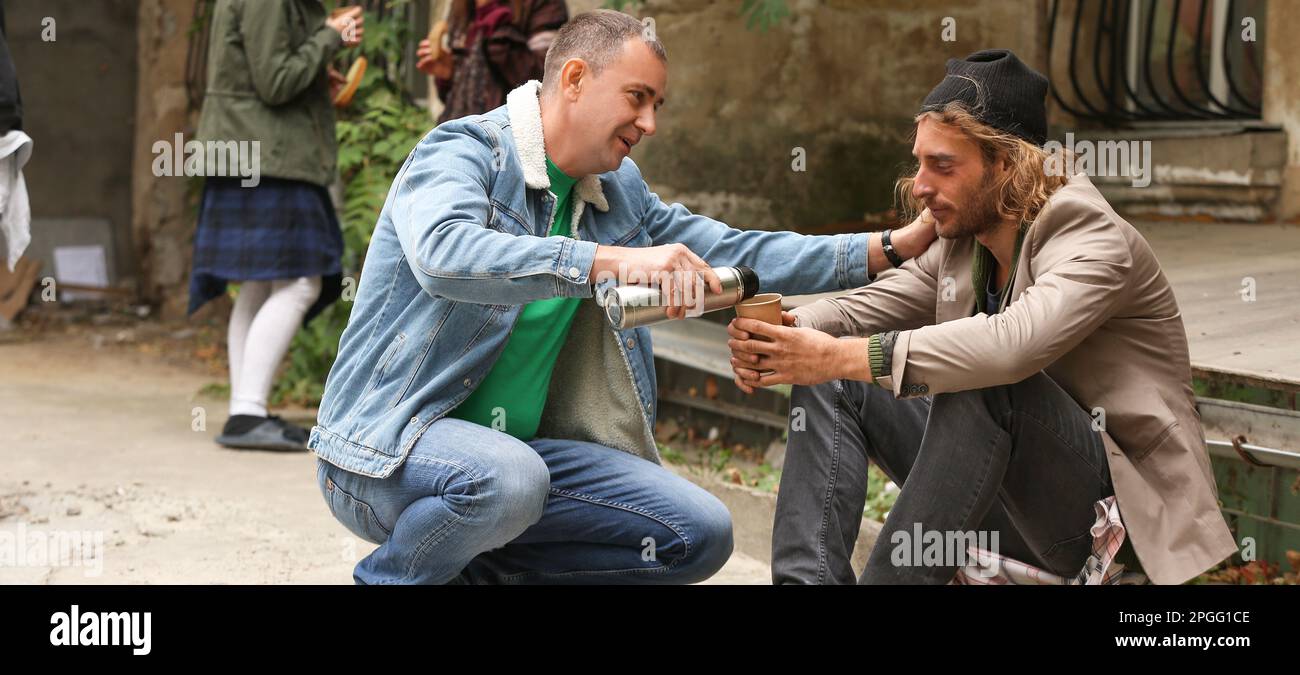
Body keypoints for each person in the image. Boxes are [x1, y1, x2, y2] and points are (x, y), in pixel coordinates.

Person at [309, 9, 938, 584]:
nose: (650, 124)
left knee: (698, 533)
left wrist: (886, 247)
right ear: (576, 78)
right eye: (638, 99)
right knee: (509, 479)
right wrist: (607, 261)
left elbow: (728, 247)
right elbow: (445, 255)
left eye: (657, 104)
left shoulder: (614, 189)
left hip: (518, 462)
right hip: (387, 448)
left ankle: (478, 576)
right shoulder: (461, 152)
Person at [727, 49, 1237, 585]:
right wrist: (791, 334)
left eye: (943, 166)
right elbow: (872, 304)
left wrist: (841, 353)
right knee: (833, 377)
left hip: (1101, 518)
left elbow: (1010, 347)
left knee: (987, 380)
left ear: (1007, 165)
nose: (921, 186)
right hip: (1000, 500)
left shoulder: (1087, 230)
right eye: (920, 164)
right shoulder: (965, 238)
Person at [188, 1, 364, 452]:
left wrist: (317, 63)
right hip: (268, 158)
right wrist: (329, 35)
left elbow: (261, 71)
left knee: (262, 284)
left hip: (258, 152)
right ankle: (246, 412)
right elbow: (275, 81)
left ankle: (246, 409)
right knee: (301, 282)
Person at [417, 0, 569, 123]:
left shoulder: (543, 4)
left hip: (507, 141)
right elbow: (464, 96)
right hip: (460, 138)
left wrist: (498, 29)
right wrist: (450, 74)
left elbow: (547, 80)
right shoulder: (462, 6)